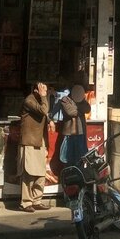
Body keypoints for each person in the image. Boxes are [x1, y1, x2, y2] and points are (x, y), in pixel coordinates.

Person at [18, 81, 52, 212]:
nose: (44, 91)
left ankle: (37, 200)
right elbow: (43, 110)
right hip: (29, 141)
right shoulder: (29, 100)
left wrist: (50, 121)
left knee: (40, 173)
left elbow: (44, 113)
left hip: (39, 140)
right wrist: (44, 96)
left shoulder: (39, 101)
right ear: (36, 90)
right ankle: (26, 203)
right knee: (29, 173)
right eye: (41, 89)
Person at [59, 77, 91, 167]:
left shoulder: (83, 101)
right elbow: (71, 112)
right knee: (67, 158)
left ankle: (79, 175)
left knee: (80, 157)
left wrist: (78, 105)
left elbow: (88, 109)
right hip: (69, 134)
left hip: (80, 133)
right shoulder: (65, 100)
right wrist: (80, 109)